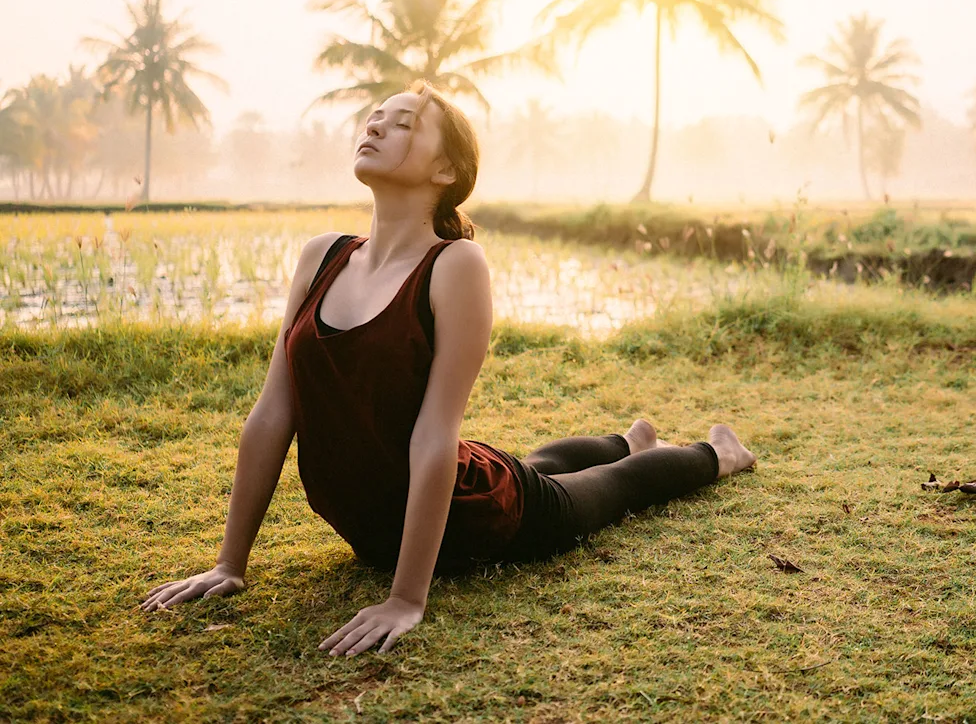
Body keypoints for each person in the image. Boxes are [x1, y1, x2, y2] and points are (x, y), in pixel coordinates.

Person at [139, 80, 756, 657]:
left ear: (446, 171)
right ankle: (625, 438)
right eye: (375, 116)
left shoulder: (456, 264)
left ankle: (719, 454)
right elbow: (274, 412)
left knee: (605, 491)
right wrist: (230, 565)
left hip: (470, 516)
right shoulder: (321, 256)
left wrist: (407, 598)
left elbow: (434, 434)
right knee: (532, 466)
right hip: (385, 516)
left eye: (402, 123)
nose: (377, 125)